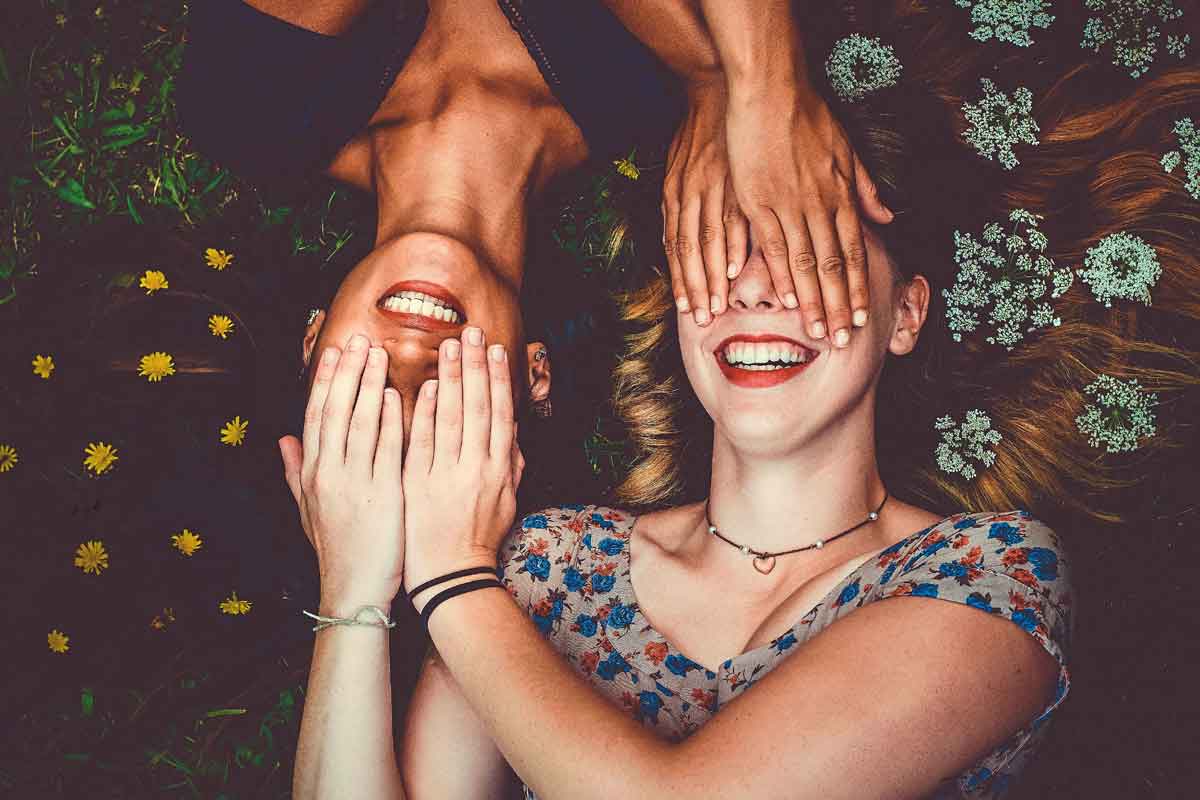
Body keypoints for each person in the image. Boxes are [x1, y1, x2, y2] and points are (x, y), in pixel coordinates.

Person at [277, 3, 1200, 798]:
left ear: (906, 314)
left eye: (807, 249)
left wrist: (447, 577)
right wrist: (353, 591)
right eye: (723, 243)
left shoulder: (991, 577)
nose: (756, 287)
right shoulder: (548, 572)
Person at [178, 0, 894, 431]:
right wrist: (733, 79)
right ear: (534, 375)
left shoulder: (249, 113)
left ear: (311, 345)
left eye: (368, 393)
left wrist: (755, 81)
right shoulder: (651, 92)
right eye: (446, 403)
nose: (411, 355)